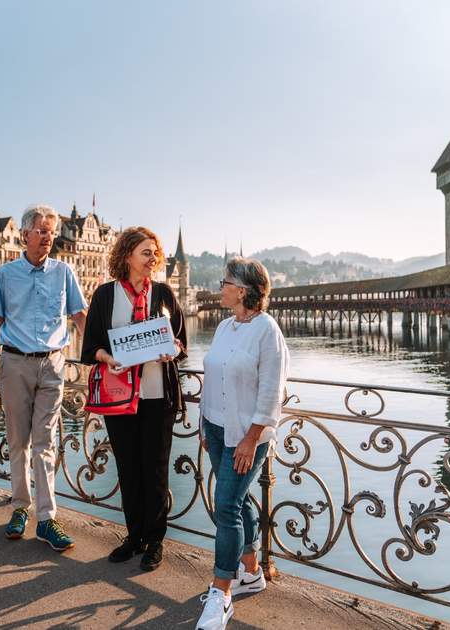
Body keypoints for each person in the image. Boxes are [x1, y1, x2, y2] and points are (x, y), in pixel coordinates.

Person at [81, 227, 188, 572]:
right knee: (128, 469)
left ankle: (155, 540)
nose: (153, 259)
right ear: (127, 255)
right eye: (146, 252)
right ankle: (133, 536)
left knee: (155, 471)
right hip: (119, 397)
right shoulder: (105, 295)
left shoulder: (164, 294)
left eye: (155, 253)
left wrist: (172, 350)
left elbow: (181, 341)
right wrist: (108, 358)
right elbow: (91, 345)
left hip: (157, 396)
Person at [0, 204, 87, 552]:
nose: (48, 237)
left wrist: (96, 358)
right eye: (42, 231)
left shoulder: (64, 271)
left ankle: (46, 518)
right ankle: (19, 508)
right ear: (26, 234)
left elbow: (79, 316)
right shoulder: (4, 274)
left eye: (51, 232)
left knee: (45, 442)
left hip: (53, 365)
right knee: (17, 441)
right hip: (14, 363)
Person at [195, 257, 289, 630]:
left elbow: (271, 393)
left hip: (246, 435)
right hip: (217, 429)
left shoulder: (268, 331)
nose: (220, 286)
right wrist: (204, 426)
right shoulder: (224, 327)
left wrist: (251, 440)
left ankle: (221, 593)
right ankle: (250, 571)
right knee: (237, 500)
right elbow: (213, 377)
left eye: (226, 281)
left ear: (244, 290)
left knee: (226, 507)